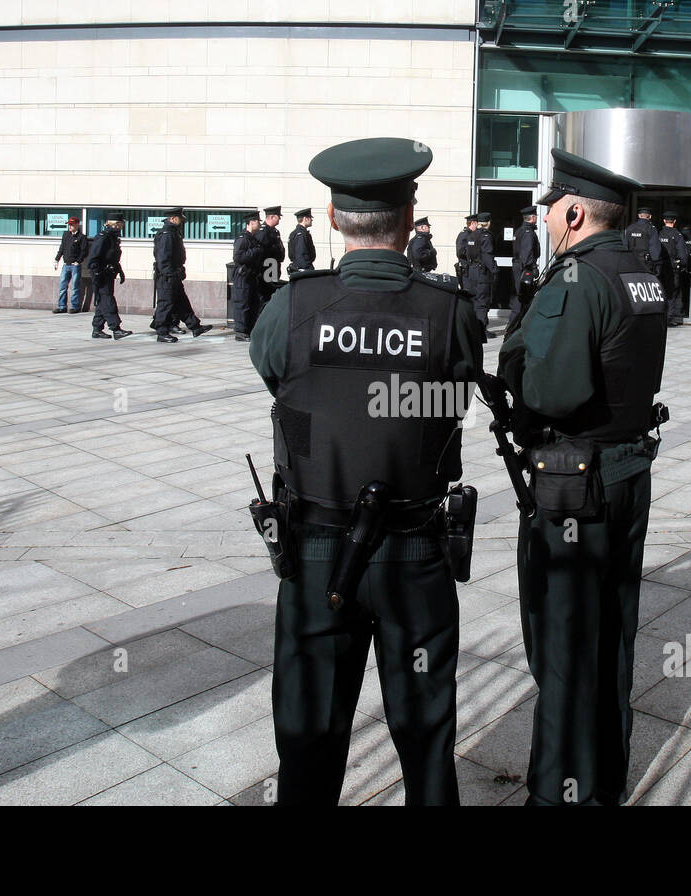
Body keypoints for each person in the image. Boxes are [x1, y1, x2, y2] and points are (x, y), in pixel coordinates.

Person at [249, 137, 484, 805]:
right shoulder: (448, 311)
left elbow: (277, 378)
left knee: (308, 735)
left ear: (329, 216)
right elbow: (461, 387)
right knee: (425, 734)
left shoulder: (292, 309)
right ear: (410, 220)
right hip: (416, 554)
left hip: (317, 551)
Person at [496, 147, 667, 806]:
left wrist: (517, 354)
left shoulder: (577, 279)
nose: (544, 219)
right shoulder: (639, 271)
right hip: (626, 474)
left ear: (572, 211)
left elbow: (551, 391)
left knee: (565, 649)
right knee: (612, 641)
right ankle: (600, 787)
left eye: (548, 209)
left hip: (576, 486)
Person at [150, 207, 212, 343]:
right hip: (168, 276)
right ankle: (161, 332)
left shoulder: (173, 232)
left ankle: (195, 327)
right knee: (165, 304)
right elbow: (163, 258)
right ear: (172, 219)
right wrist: (170, 273)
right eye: (180, 218)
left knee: (182, 303)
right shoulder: (167, 234)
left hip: (174, 274)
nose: (182, 220)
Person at [86, 212, 132, 340]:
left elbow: (113, 258)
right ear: (116, 224)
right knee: (108, 300)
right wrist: (96, 274)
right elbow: (93, 258)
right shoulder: (103, 237)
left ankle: (97, 329)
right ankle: (116, 328)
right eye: (122, 223)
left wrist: (120, 271)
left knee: (103, 302)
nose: (123, 225)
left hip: (109, 274)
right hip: (101, 275)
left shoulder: (113, 238)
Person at [231, 211, 264, 341]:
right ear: (251, 223)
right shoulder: (242, 239)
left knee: (252, 303)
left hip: (252, 276)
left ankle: (249, 329)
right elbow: (238, 257)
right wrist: (255, 251)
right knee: (242, 303)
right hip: (243, 276)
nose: (260, 224)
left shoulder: (253, 238)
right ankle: (240, 331)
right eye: (258, 221)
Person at [465, 211, 498, 337]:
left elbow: (466, 253)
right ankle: (481, 330)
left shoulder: (472, 235)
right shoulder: (486, 236)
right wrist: (495, 270)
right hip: (482, 273)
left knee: (474, 300)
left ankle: (472, 328)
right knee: (482, 301)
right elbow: (487, 255)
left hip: (472, 270)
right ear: (488, 223)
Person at [656, 211, 689, 326]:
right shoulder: (677, 235)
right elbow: (683, 256)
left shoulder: (657, 234)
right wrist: (683, 265)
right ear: (674, 222)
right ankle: (669, 318)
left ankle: (659, 316)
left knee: (660, 292)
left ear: (664, 221)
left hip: (658, 268)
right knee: (672, 293)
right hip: (672, 269)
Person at [509, 205, 540, 328]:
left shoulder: (519, 230)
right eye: (536, 216)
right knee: (522, 298)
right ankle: (514, 327)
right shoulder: (528, 233)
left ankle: (514, 326)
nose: (536, 218)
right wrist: (532, 268)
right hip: (524, 269)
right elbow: (526, 254)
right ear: (532, 218)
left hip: (518, 267)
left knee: (519, 297)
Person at [53, 216, 89, 314]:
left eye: (72, 224)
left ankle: (75, 306)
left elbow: (84, 251)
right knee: (62, 286)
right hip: (66, 264)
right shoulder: (66, 235)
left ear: (77, 225)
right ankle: (62, 306)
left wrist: (78, 261)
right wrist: (57, 259)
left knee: (75, 287)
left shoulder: (81, 237)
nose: (70, 226)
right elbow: (62, 248)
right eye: (69, 224)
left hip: (75, 265)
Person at [257, 205, 286, 306]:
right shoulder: (263, 232)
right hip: (266, 269)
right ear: (272, 217)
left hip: (273, 267)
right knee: (266, 297)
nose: (280, 219)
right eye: (278, 216)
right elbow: (260, 252)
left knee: (272, 294)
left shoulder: (274, 231)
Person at [621, 206, 660, 276]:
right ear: (650, 216)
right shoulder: (651, 229)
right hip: (646, 263)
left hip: (631, 261)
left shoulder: (629, 228)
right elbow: (654, 248)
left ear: (639, 216)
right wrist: (656, 263)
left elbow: (624, 245)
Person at [287, 208, 316, 274]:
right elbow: (301, 253)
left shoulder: (295, 233)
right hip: (303, 269)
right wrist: (306, 269)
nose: (312, 220)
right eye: (310, 218)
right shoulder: (301, 234)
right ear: (305, 219)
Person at [455, 214, 477, 288]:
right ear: (473, 223)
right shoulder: (465, 234)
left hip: (469, 267)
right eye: (477, 224)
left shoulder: (471, 234)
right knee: (467, 289)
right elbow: (460, 252)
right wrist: (472, 254)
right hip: (466, 268)